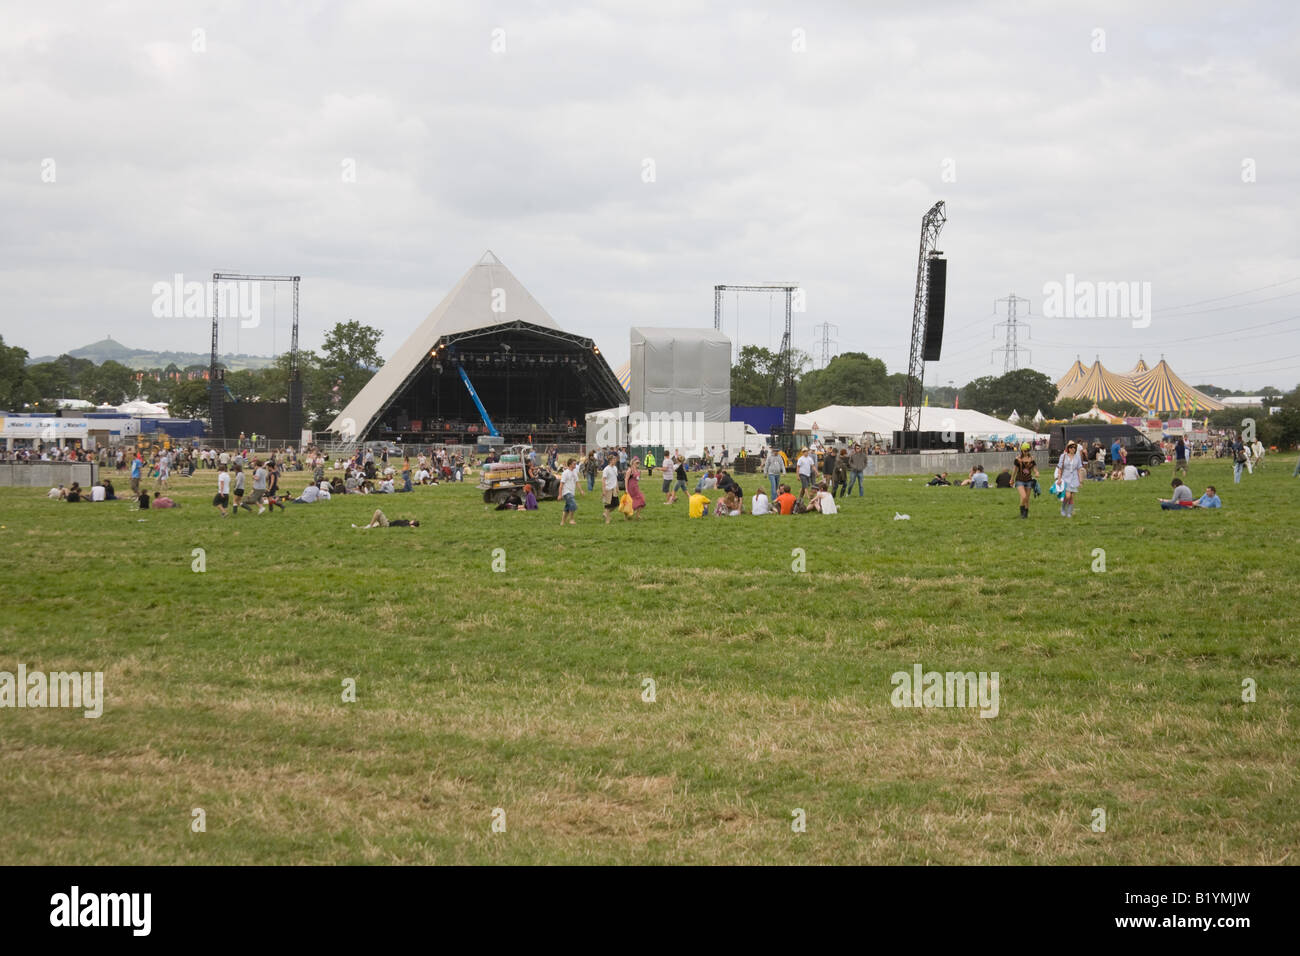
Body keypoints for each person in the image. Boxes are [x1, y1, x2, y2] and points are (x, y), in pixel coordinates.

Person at [1054, 440, 1084, 517]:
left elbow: (1079, 468)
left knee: (1072, 497)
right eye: (1071, 447)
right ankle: (1063, 508)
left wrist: (1080, 481)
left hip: (1074, 478)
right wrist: (1059, 478)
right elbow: (1060, 468)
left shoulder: (1077, 457)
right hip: (1065, 478)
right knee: (1067, 496)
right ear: (1068, 448)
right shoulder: (1063, 456)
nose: (1073, 449)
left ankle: (1069, 512)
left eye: (1074, 447)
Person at [1013, 442, 1039, 519]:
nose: (1026, 452)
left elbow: (1034, 469)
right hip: (1019, 480)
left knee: (1027, 499)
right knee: (1024, 497)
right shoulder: (1018, 459)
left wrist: (1037, 473)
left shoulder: (1031, 459)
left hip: (1028, 480)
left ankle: (1025, 514)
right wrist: (1011, 480)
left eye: (1027, 451)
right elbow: (1014, 470)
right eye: (1024, 451)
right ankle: (1022, 511)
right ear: (1022, 450)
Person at [601, 454, 620, 525]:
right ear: (610, 460)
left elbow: (615, 478)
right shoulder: (606, 469)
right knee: (608, 505)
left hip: (614, 489)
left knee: (616, 504)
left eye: (615, 459)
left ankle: (605, 513)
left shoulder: (615, 468)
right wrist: (604, 490)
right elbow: (603, 480)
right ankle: (607, 520)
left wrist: (617, 487)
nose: (615, 461)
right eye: (614, 459)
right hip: (608, 489)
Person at [559, 459, 579, 525]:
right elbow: (561, 484)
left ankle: (562, 522)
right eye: (574, 464)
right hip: (566, 492)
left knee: (567, 508)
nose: (575, 465)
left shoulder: (574, 472)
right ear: (570, 465)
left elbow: (577, 482)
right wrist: (560, 494)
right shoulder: (565, 473)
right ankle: (571, 520)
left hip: (572, 492)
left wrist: (581, 490)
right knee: (573, 504)